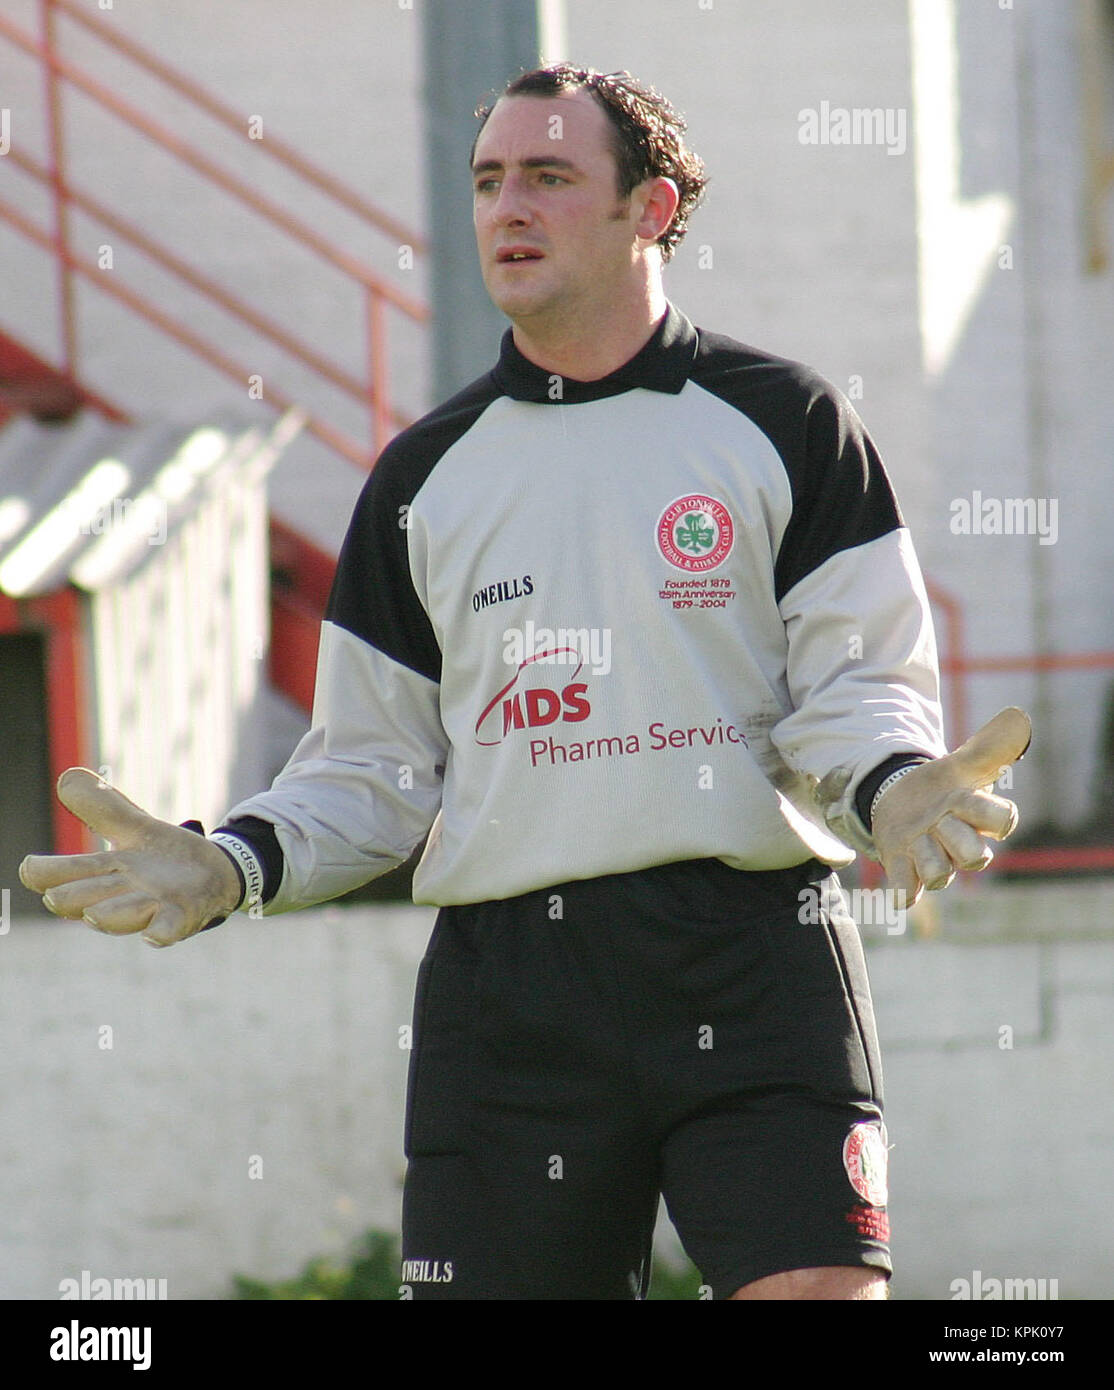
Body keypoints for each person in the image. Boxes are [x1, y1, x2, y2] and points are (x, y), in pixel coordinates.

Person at [21, 64, 1030, 1301]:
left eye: (550, 177)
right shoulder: (420, 476)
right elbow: (370, 769)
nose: (509, 207)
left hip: (752, 954)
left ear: (648, 210)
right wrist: (228, 859)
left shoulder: (789, 421)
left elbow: (856, 689)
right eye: (490, 180)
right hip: (511, 994)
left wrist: (895, 787)